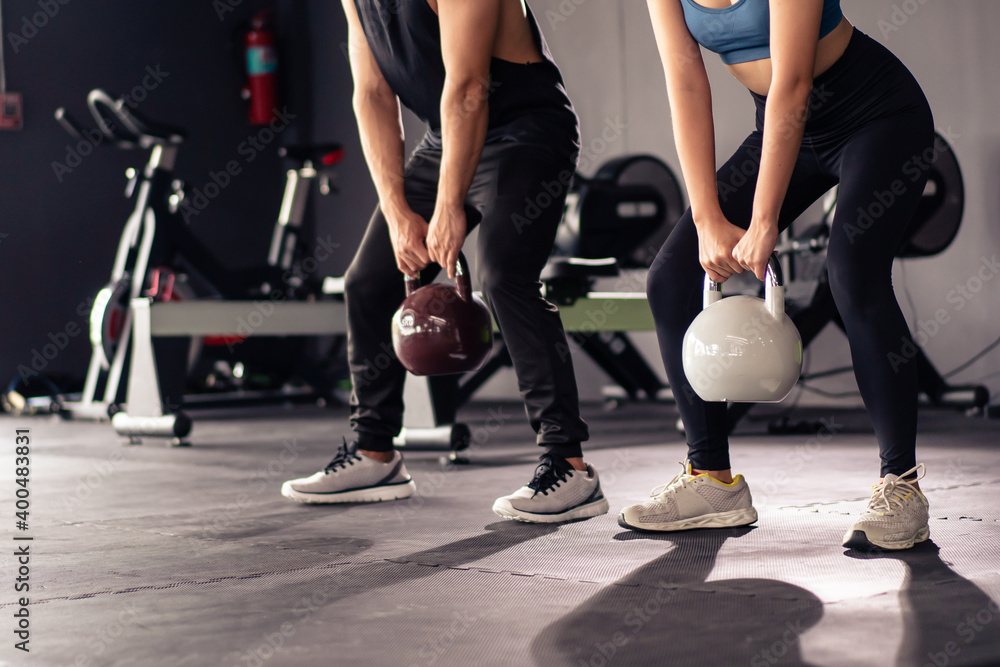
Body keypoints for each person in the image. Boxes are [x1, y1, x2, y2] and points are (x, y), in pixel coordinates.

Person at [619, 0, 934, 550]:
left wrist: (764, 221)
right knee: (671, 279)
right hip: (781, 128)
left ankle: (901, 486)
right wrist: (706, 217)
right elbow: (686, 83)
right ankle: (711, 480)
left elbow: (792, 83)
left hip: (876, 115)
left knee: (852, 272)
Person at [281, 0, 610, 524]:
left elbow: (470, 85)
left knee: (505, 277)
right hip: (446, 135)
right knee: (368, 282)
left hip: (525, 130)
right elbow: (370, 94)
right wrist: (396, 212)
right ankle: (375, 453)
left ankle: (568, 464)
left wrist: (448, 204)